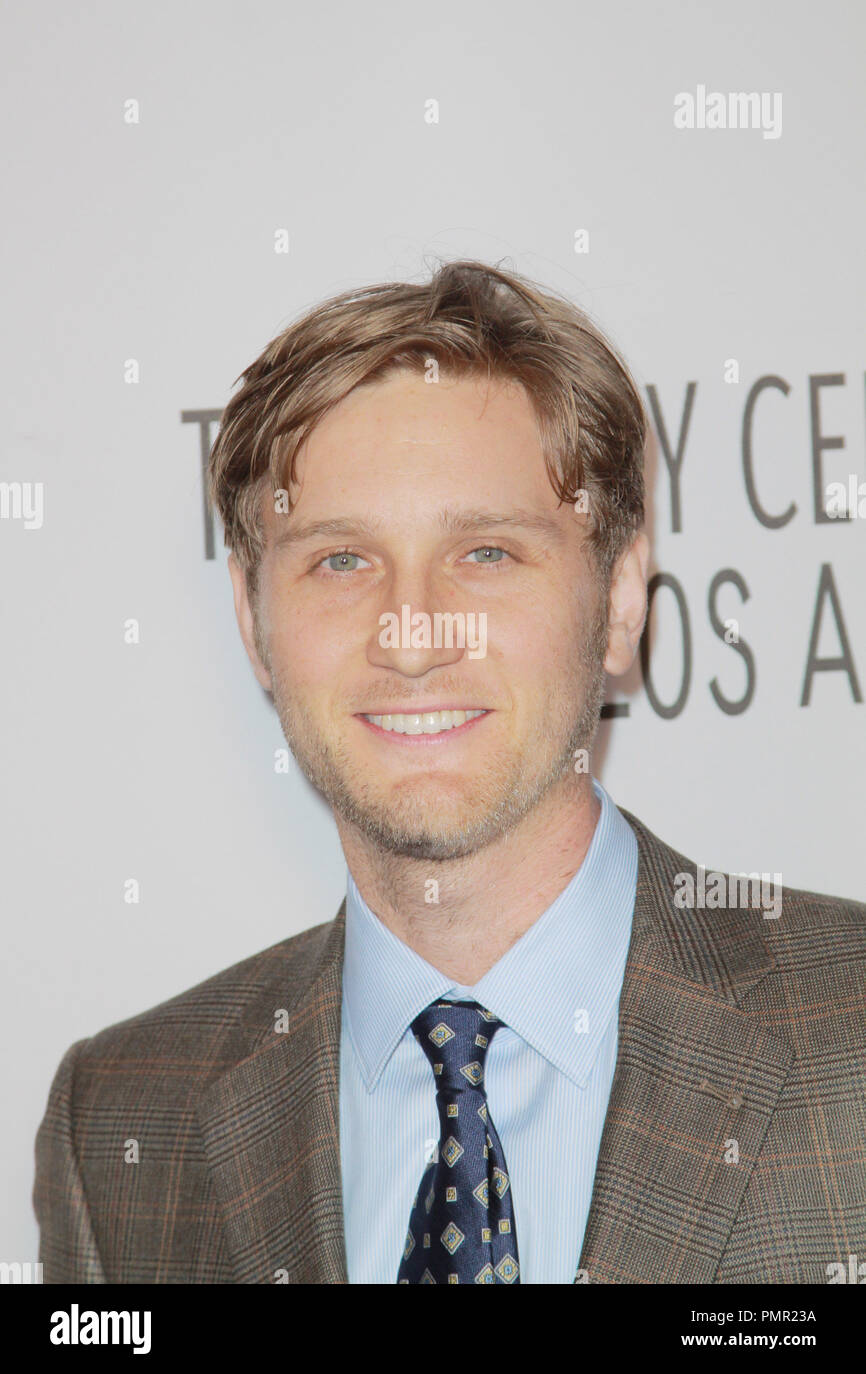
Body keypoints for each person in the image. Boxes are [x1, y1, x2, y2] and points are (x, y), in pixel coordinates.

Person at [34, 260, 866, 1284]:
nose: (413, 633)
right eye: (340, 560)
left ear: (616, 598)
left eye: (485, 552)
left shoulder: (850, 1033)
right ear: (253, 624)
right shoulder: (121, 1124)